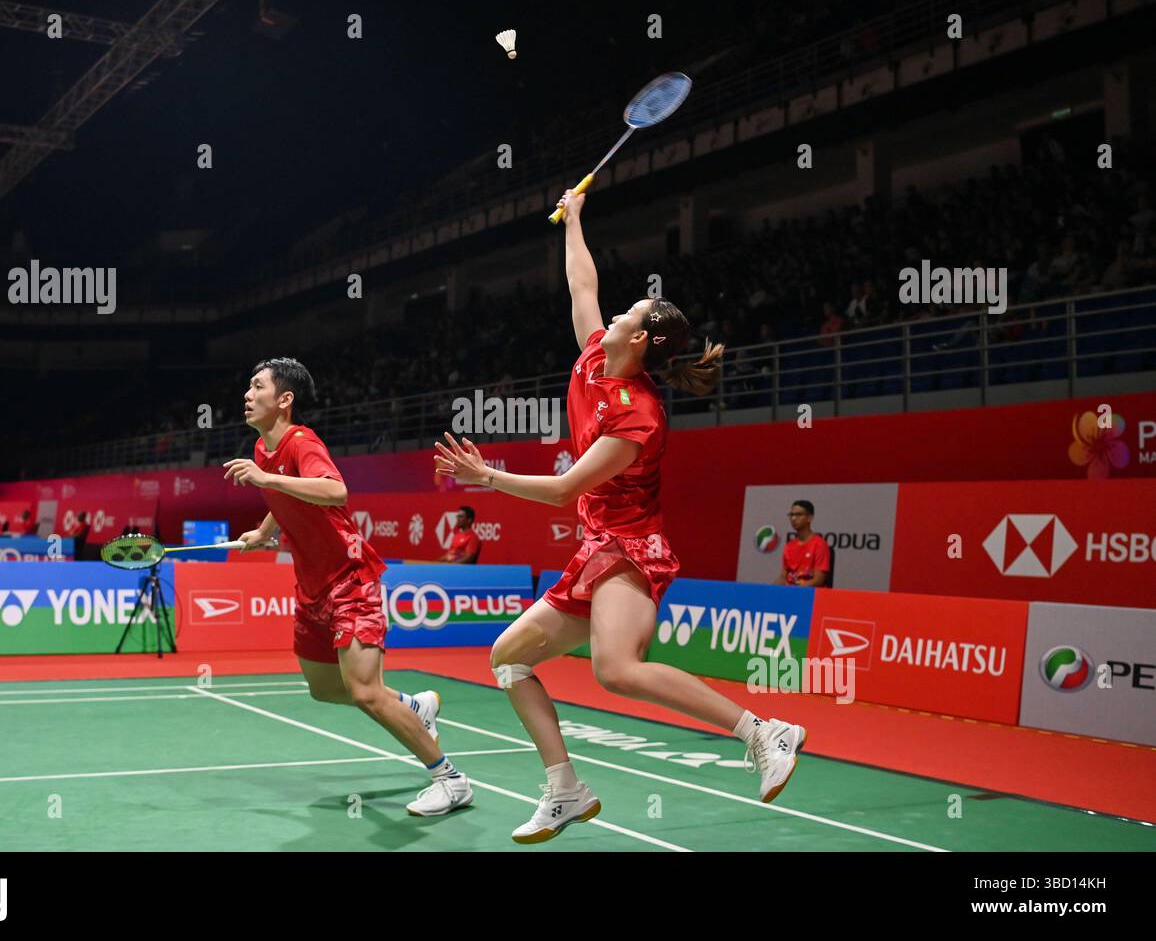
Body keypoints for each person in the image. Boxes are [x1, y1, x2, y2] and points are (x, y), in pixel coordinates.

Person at [433, 189, 806, 845]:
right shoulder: (592, 360)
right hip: (600, 545)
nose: (615, 312)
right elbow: (582, 282)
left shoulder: (638, 413)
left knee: (617, 668)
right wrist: (574, 217)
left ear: (637, 338)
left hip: (633, 545)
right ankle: (565, 788)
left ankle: (762, 732)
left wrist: (485, 476)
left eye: (630, 312)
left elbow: (563, 491)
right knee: (509, 659)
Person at [226, 357, 473, 817]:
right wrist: (263, 532)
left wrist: (264, 479)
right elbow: (287, 495)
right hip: (312, 587)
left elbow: (334, 490)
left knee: (364, 691)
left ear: (285, 400)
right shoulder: (263, 450)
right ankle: (413, 707)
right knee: (325, 688)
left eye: (257, 386)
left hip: (350, 580)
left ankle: (450, 780)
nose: (247, 394)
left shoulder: (302, 442)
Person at [773, 499, 831, 587]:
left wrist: (795, 591)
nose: (793, 518)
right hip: (789, 593)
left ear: (809, 518)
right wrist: (767, 591)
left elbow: (818, 580)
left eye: (798, 515)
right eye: (791, 515)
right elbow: (783, 578)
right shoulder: (789, 546)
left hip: (808, 595)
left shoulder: (819, 544)